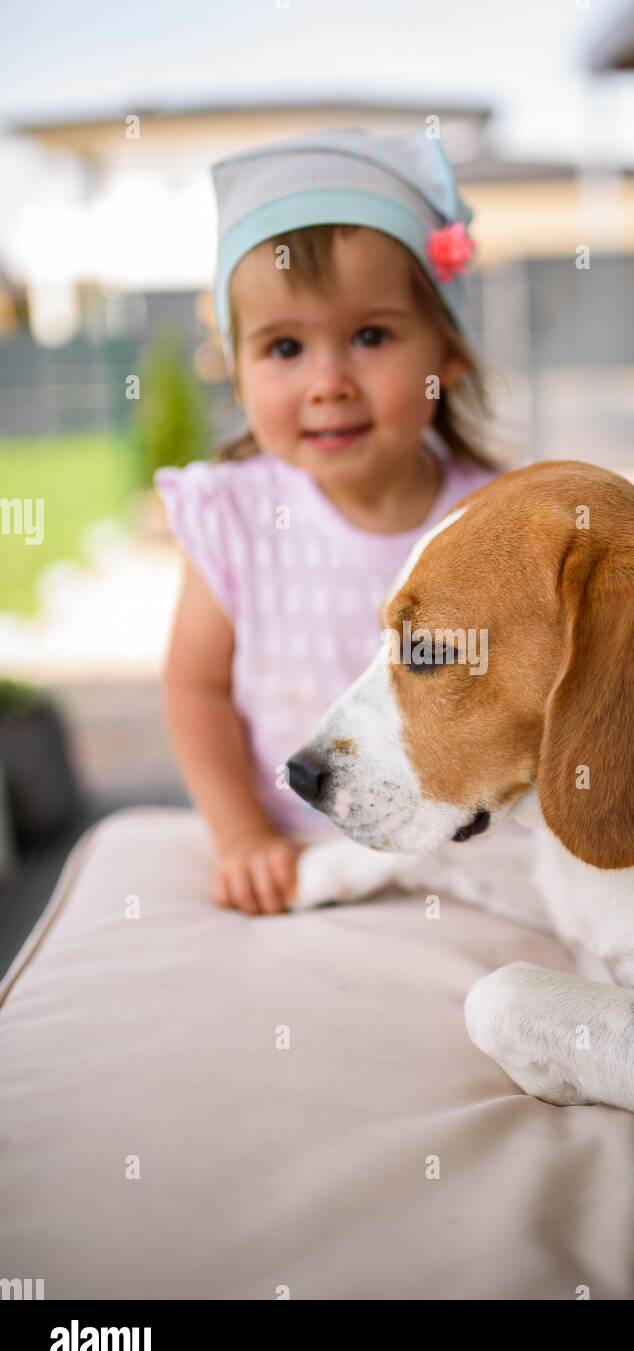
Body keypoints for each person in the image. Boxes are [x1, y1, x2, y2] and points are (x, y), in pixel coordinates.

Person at [155, 127, 506, 916]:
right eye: (283, 347)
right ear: (238, 374)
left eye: (370, 336)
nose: (327, 382)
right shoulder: (235, 516)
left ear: (447, 354)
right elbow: (195, 690)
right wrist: (242, 835)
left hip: (454, 855)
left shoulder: (494, 520)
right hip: (292, 852)